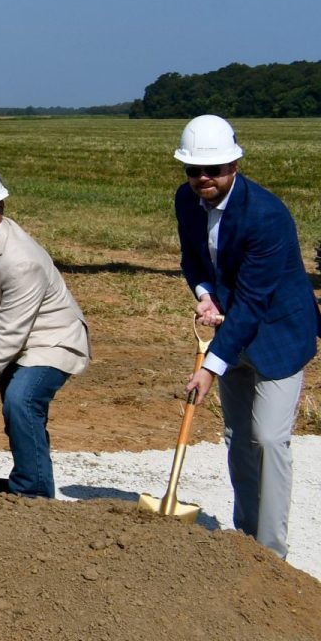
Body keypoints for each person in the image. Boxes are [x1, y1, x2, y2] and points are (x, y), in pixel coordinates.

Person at [171, 115, 318, 558]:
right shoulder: (186, 200)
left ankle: (271, 555)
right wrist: (205, 295)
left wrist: (209, 369)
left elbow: (254, 303)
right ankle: (246, 542)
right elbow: (192, 260)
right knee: (238, 437)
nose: (202, 179)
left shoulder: (267, 215)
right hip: (231, 329)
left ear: (235, 164)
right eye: (193, 170)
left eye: (212, 170)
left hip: (277, 333)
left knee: (269, 438)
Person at [0, 160, 90, 499]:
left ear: (2, 206)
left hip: (53, 338)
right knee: (20, 415)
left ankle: (33, 494)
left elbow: (10, 335)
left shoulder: (21, 260)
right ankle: (30, 479)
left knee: (21, 400)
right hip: (16, 335)